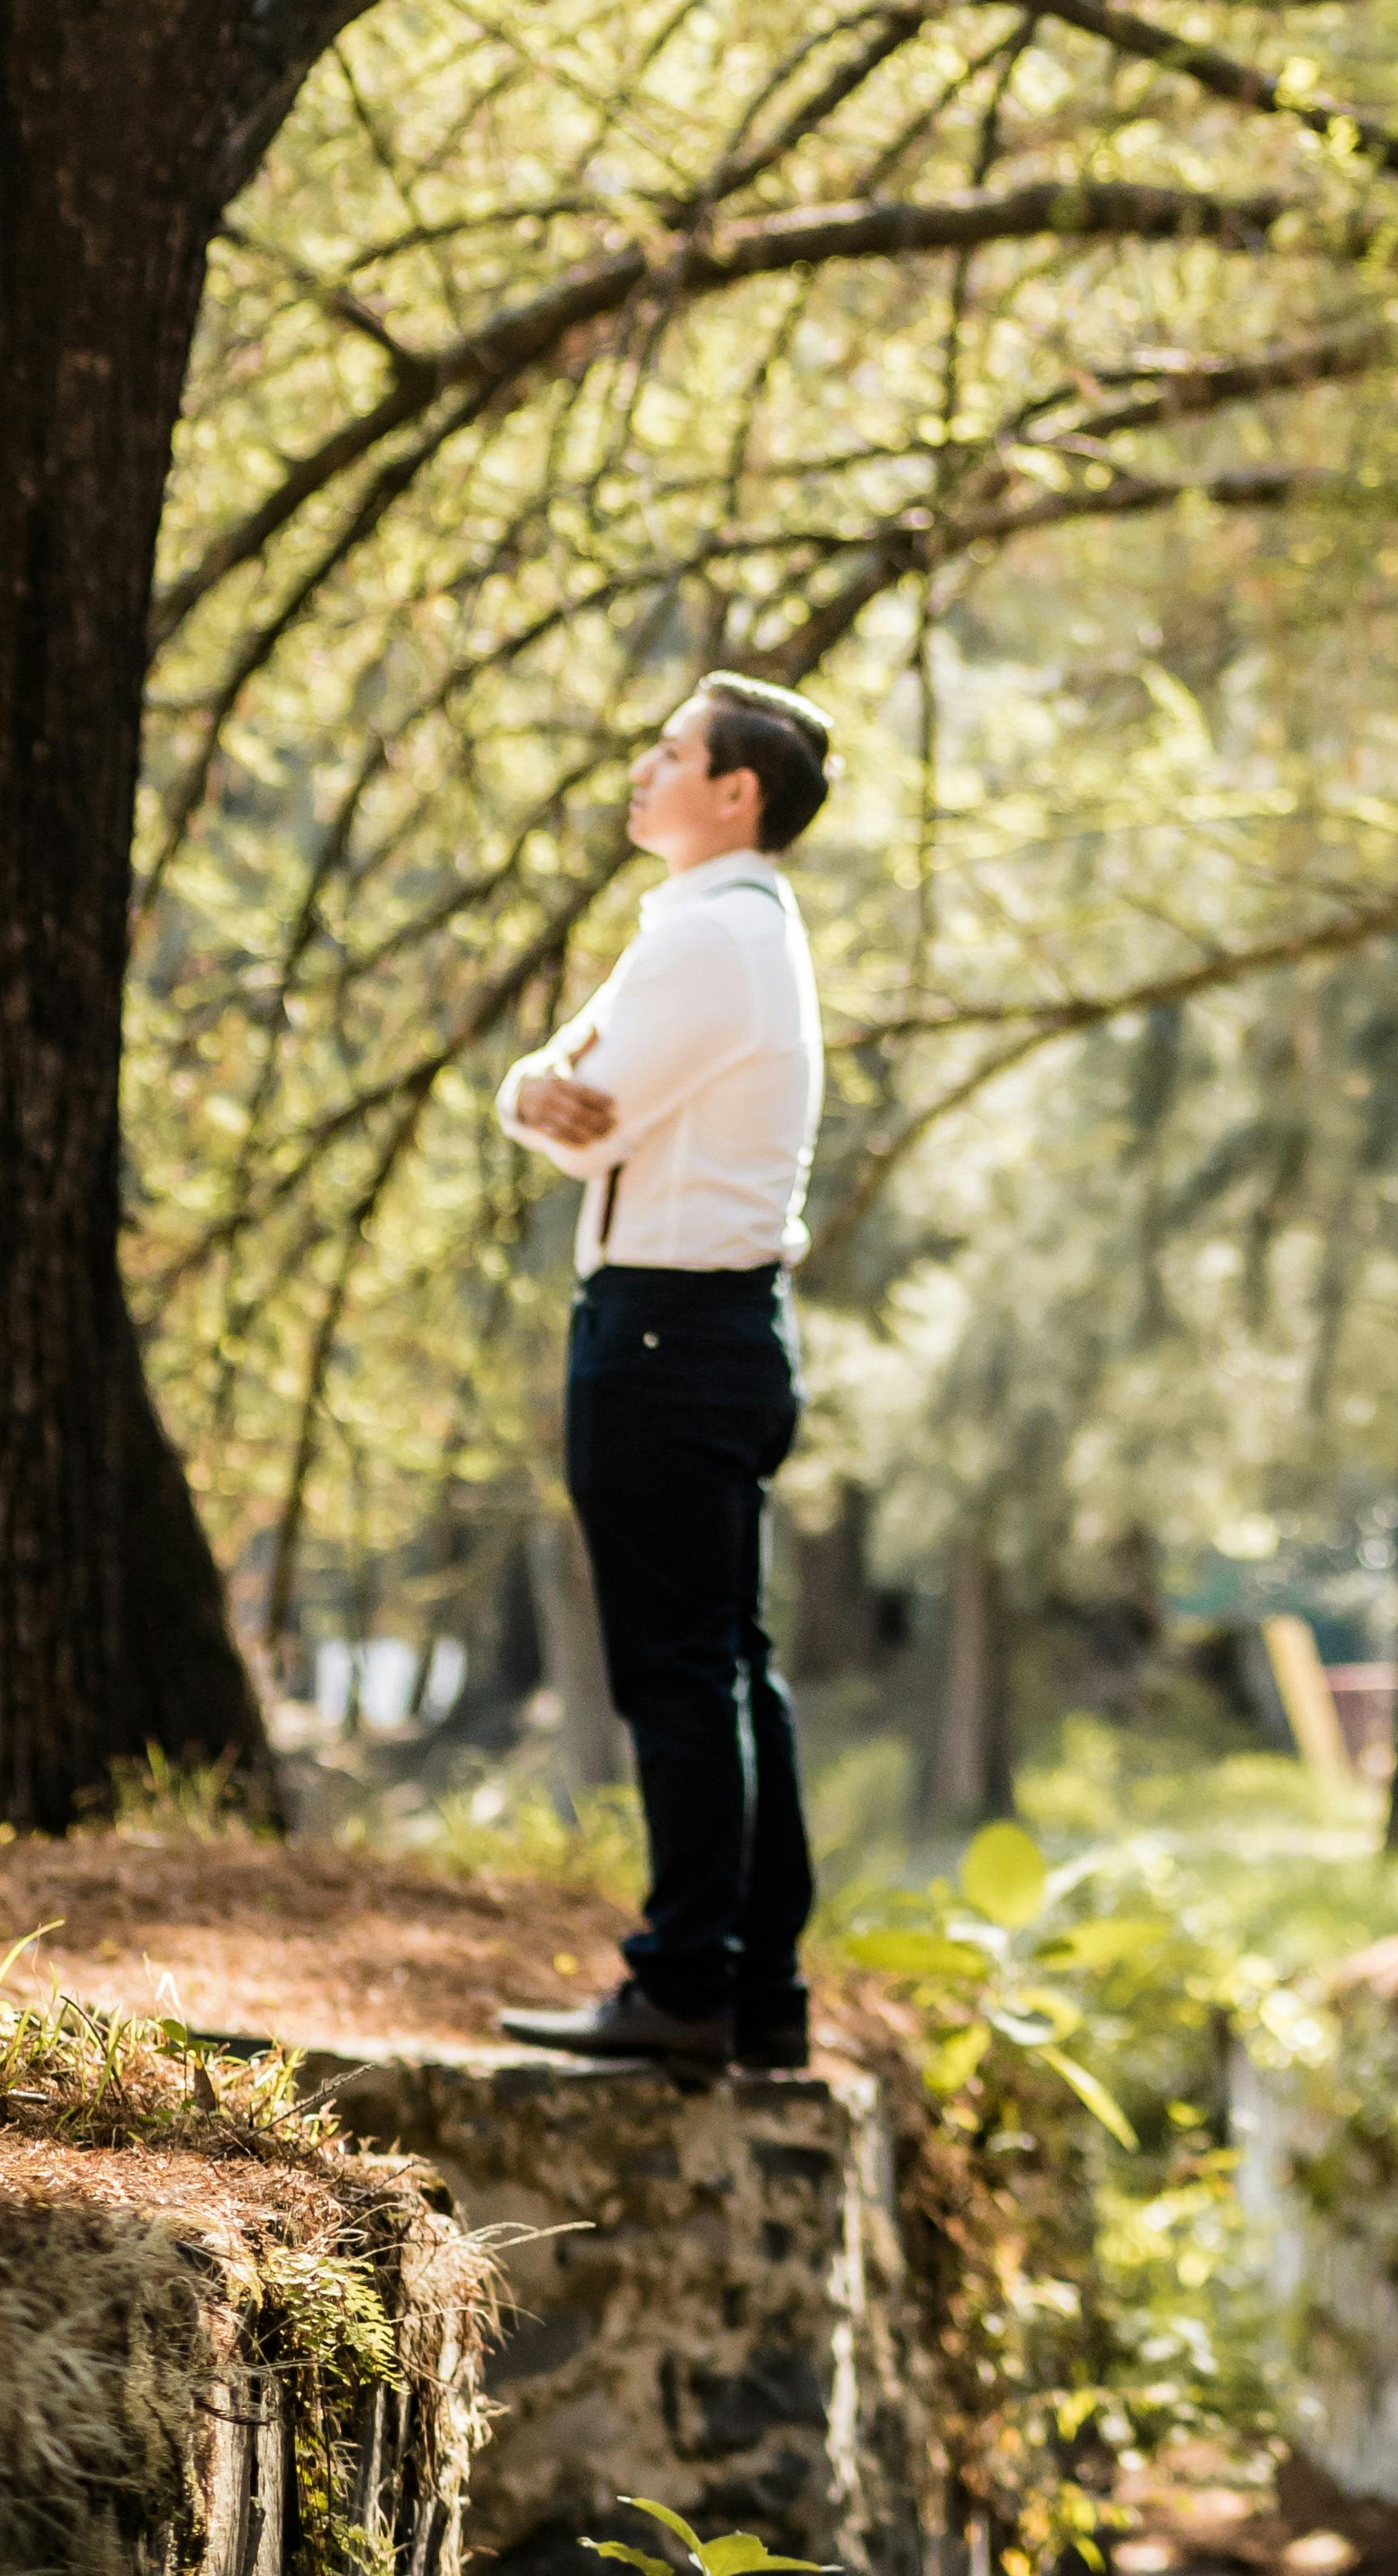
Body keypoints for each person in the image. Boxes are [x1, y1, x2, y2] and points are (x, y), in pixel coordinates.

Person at [492, 672, 834, 2074]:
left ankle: (685, 1984)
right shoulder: (715, 929)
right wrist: (531, 1079)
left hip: (663, 1333)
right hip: (710, 1329)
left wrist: (534, 1092)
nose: (644, 768)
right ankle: (755, 1993)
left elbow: (582, 1122)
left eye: (672, 752)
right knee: (730, 1668)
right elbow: (556, 1079)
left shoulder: (712, 943)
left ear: (735, 791)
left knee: (682, 1672)